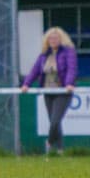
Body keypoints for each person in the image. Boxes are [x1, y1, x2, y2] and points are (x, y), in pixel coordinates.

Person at [20, 26, 77, 154]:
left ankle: (49, 142)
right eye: (50, 38)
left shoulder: (68, 51)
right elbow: (34, 70)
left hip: (63, 91)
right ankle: (60, 150)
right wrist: (26, 84)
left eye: (55, 38)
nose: (53, 40)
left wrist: (68, 84)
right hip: (48, 91)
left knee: (55, 121)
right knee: (55, 122)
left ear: (61, 39)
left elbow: (72, 69)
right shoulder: (44, 55)